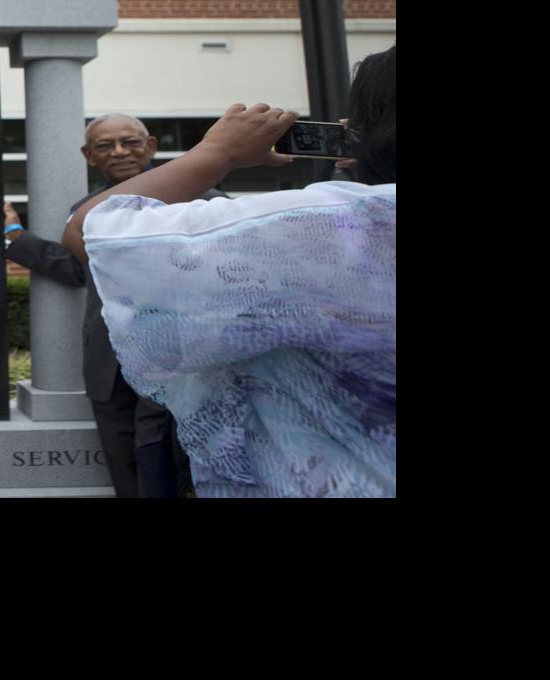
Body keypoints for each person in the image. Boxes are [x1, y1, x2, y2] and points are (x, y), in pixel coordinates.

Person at [62, 46, 396, 497]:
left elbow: (89, 231)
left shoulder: (319, 221)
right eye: (105, 144)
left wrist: (216, 152)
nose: (119, 151)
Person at [4, 113, 219, 498]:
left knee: (167, 468)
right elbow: (75, 269)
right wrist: (16, 236)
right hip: (110, 361)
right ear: (89, 156)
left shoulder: (205, 201)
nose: (119, 152)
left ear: (151, 146)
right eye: (105, 145)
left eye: (130, 142)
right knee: (124, 464)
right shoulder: (87, 209)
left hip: (181, 358)